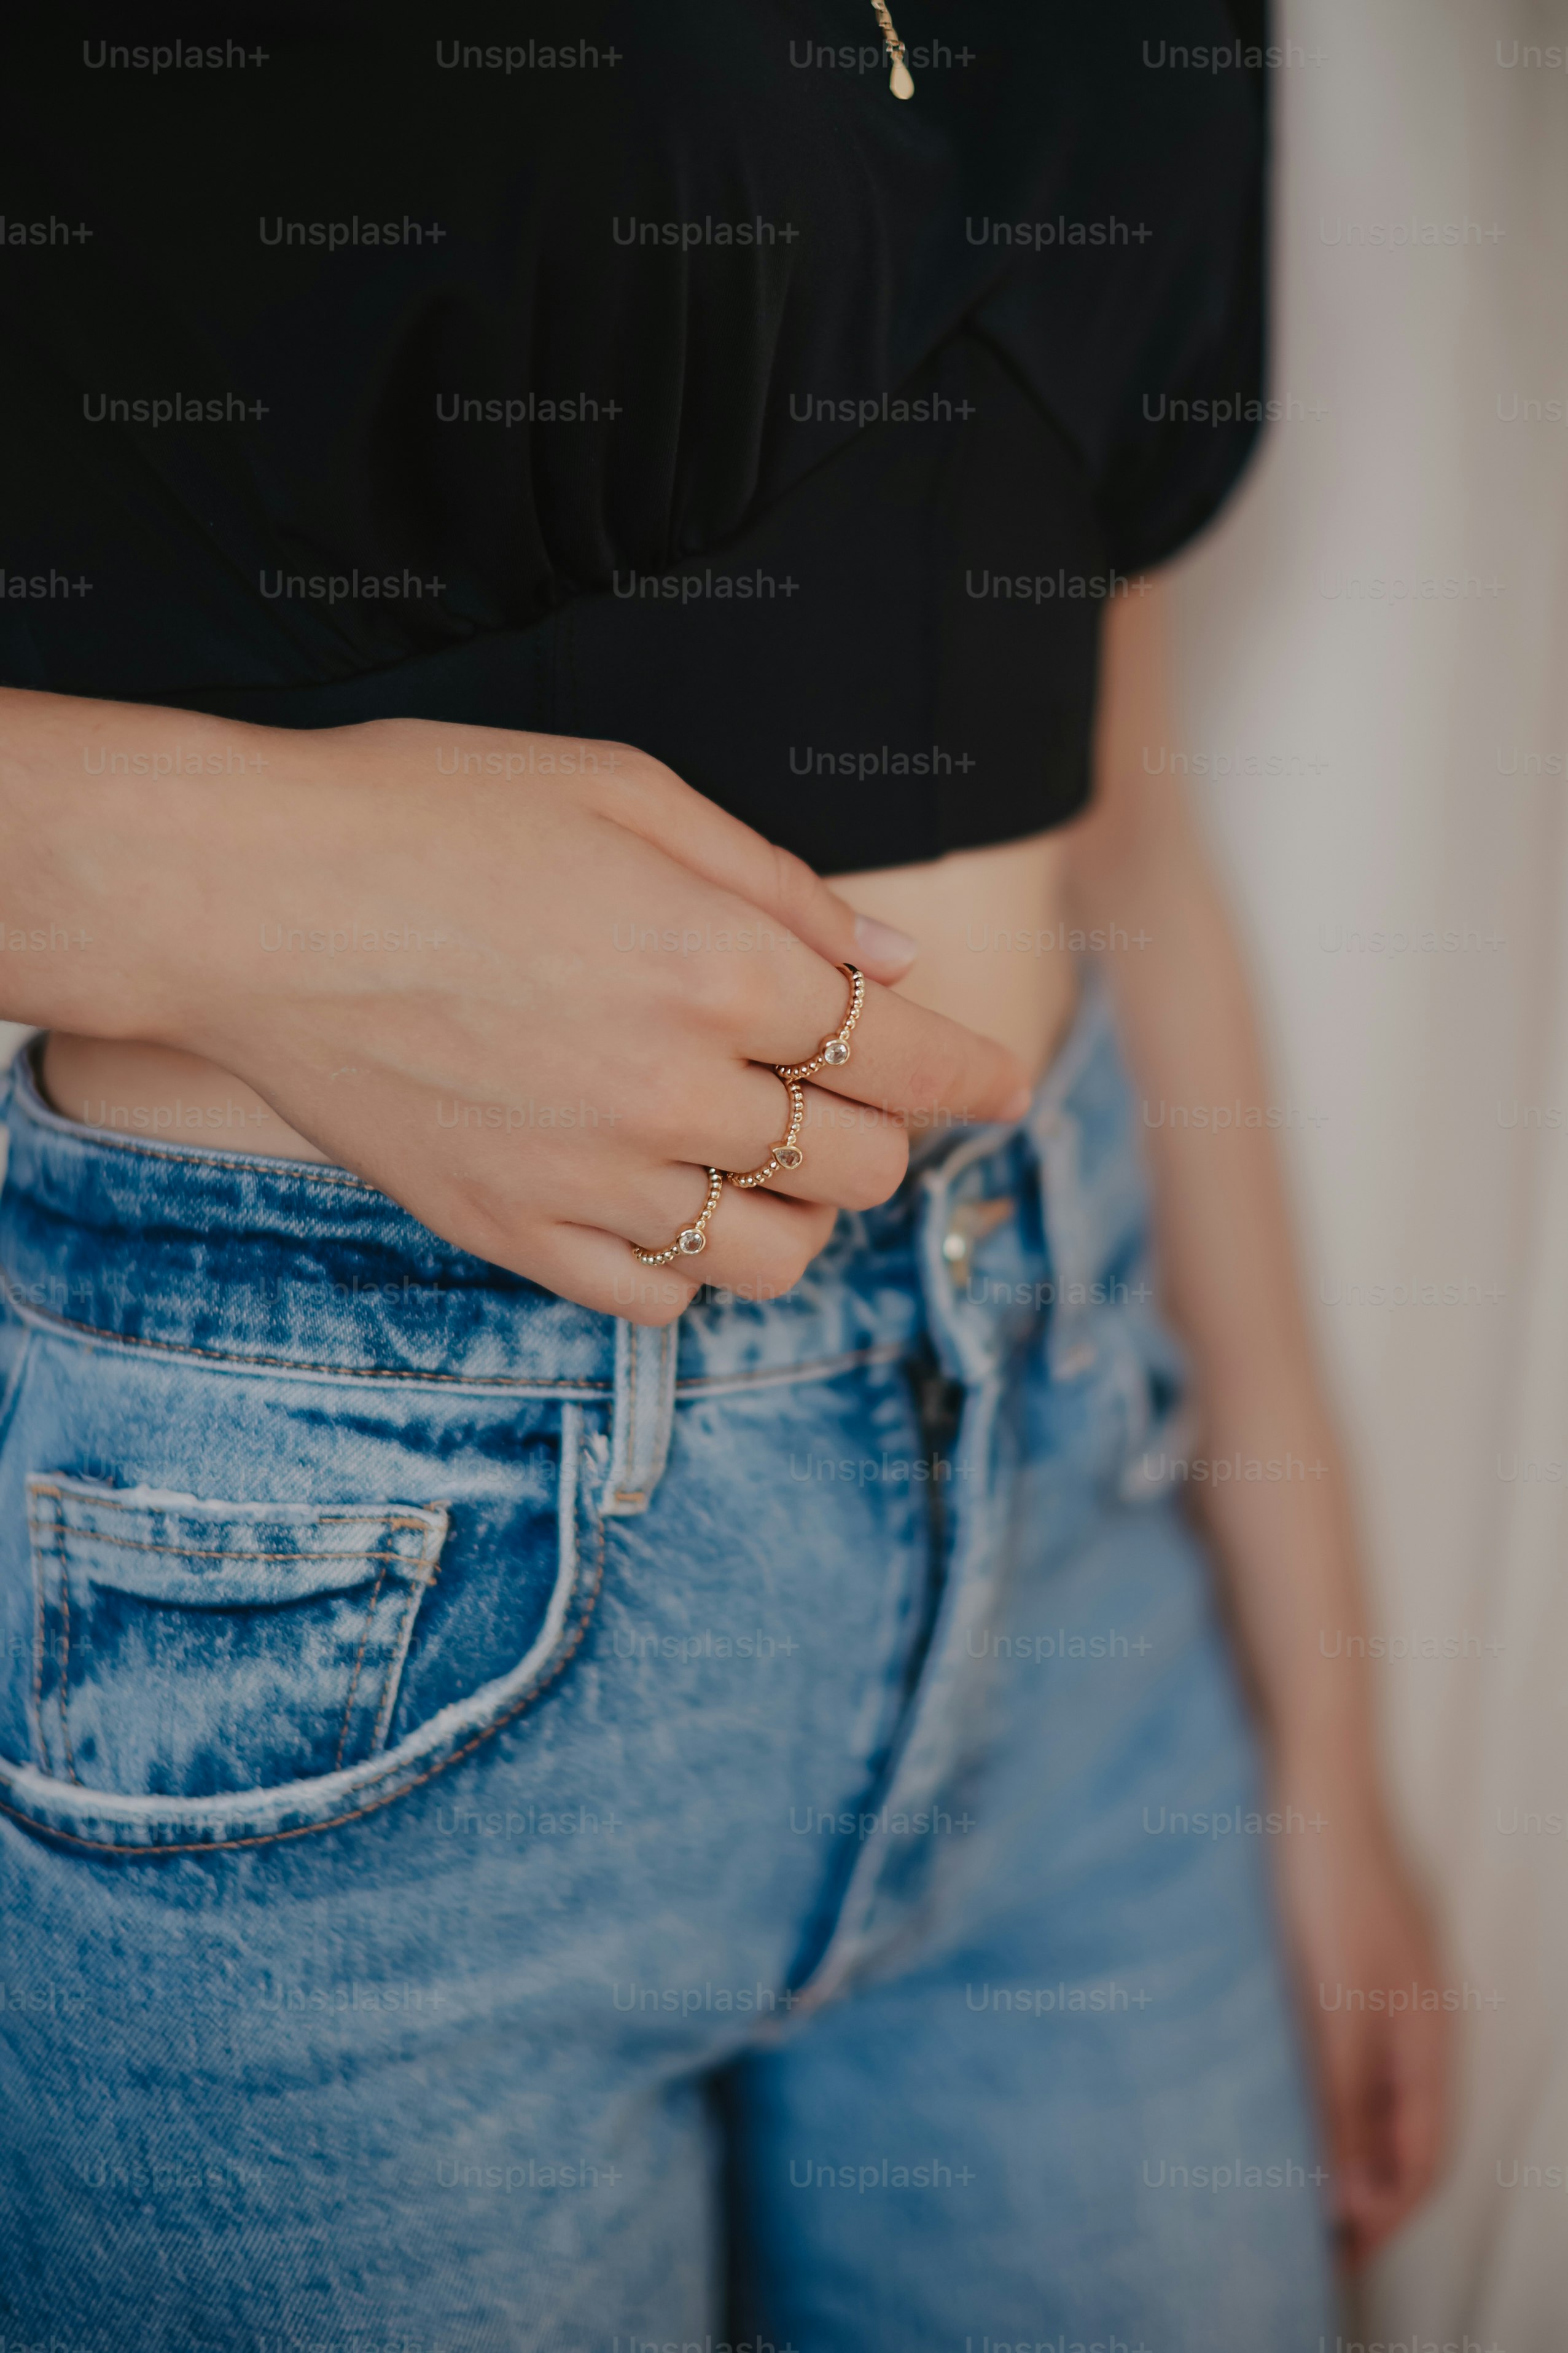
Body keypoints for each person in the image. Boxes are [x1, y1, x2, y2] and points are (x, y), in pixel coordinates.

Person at [0, 5, 1445, 2346]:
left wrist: (1323, 1742)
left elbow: (1128, 828)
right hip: (332, 1572)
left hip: (1066, 1534)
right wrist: (250, 893)